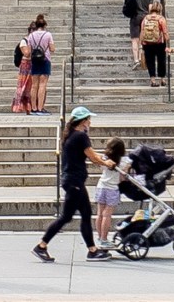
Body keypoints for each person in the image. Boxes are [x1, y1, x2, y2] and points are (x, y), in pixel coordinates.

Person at [31, 107, 114, 263]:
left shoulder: (70, 135)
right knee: (66, 217)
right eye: (89, 119)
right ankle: (41, 246)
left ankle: (92, 250)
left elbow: (90, 154)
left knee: (86, 214)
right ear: (83, 121)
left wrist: (102, 160)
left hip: (72, 181)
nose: (90, 122)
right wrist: (106, 163)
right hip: (74, 182)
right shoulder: (80, 137)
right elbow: (92, 156)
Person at [94, 137, 132, 249]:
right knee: (107, 215)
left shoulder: (105, 159)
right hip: (112, 189)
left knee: (100, 213)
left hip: (101, 186)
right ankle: (104, 239)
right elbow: (122, 178)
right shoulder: (125, 161)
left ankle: (100, 237)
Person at [24, 15, 55, 116]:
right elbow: (52, 49)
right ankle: (40, 108)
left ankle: (33, 108)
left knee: (34, 85)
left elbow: (28, 52)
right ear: (44, 25)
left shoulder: (31, 35)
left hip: (34, 61)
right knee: (43, 85)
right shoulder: (48, 35)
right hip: (45, 59)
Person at [140, 0, 169, 87]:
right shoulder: (161, 18)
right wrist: (167, 40)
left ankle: (153, 80)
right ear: (160, 9)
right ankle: (162, 79)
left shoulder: (145, 18)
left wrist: (142, 43)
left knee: (150, 61)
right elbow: (165, 31)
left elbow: (142, 31)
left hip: (147, 43)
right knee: (161, 60)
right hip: (159, 43)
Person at [12, 22, 37, 114]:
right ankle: (20, 106)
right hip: (25, 65)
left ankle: (31, 107)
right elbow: (26, 53)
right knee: (24, 86)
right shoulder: (24, 41)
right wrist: (31, 44)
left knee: (32, 86)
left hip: (34, 64)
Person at [129, 0, 154, 69]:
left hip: (135, 17)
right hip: (145, 18)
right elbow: (150, 9)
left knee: (134, 39)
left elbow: (129, 3)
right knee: (143, 39)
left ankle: (136, 60)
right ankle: (142, 57)